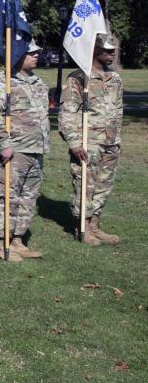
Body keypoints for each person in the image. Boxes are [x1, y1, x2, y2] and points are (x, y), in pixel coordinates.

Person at [0, 41, 50, 261]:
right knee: (6, 197)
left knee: (27, 198)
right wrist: (4, 143)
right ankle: (2, 242)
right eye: (31, 53)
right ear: (18, 53)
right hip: (14, 151)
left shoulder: (39, 83)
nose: (36, 55)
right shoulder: (2, 82)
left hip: (35, 149)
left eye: (37, 52)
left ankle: (17, 239)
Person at [59, 32, 124, 245]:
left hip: (110, 142)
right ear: (95, 50)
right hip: (89, 142)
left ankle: (95, 224)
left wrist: (117, 139)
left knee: (103, 185)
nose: (112, 54)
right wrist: (74, 143)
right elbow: (68, 113)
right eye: (107, 51)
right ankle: (83, 227)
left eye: (113, 51)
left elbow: (118, 110)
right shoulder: (79, 78)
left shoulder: (115, 79)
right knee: (85, 185)